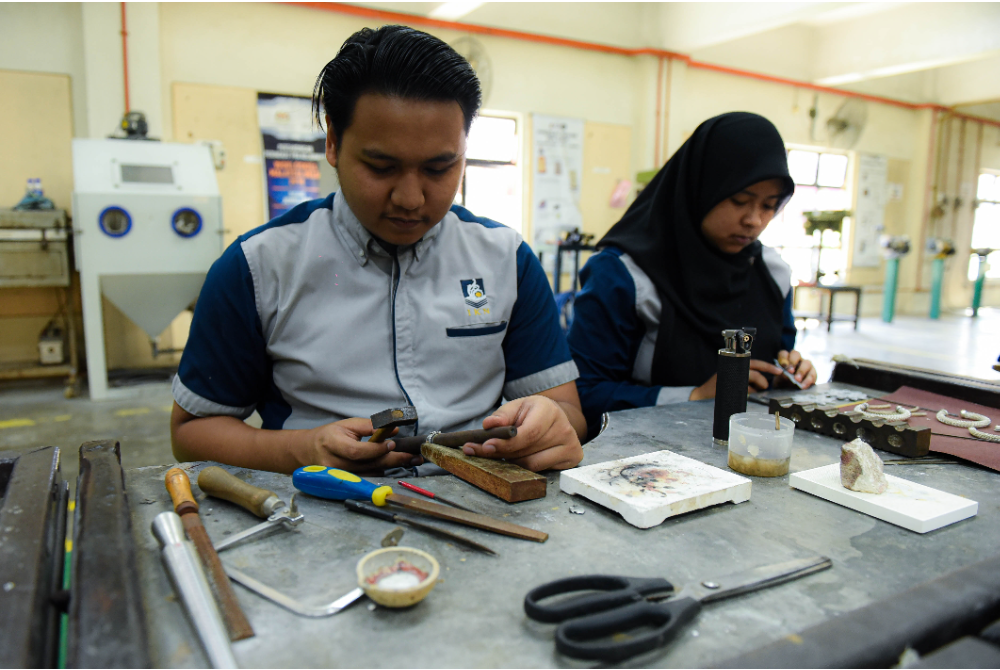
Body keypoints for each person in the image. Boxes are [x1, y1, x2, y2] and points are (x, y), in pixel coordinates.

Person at [170, 25, 585, 474]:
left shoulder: (507, 259)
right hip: (321, 507)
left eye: (439, 168)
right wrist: (302, 450)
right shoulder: (259, 266)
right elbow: (191, 433)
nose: (410, 198)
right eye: (382, 166)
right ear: (332, 141)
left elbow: (567, 412)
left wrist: (551, 426)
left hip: (478, 496)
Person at [567, 112, 817, 438]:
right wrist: (694, 397)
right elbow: (582, 396)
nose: (754, 220)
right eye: (739, 200)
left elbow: (776, 357)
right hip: (643, 457)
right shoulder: (623, 275)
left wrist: (786, 376)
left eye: (770, 205)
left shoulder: (771, 272)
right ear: (700, 188)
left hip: (746, 450)